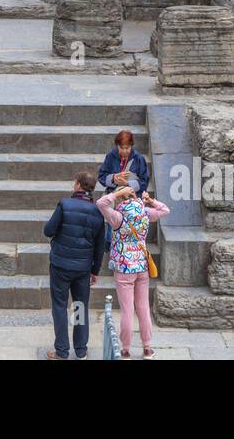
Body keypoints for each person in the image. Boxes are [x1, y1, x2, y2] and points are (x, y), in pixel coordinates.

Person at [97, 186, 170, 359]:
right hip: (142, 266)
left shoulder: (117, 217)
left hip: (124, 269)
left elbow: (101, 203)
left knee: (127, 309)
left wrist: (115, 194)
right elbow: (165, 210)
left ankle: (126, 349)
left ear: (121, 198)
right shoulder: (144, 212)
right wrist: (152, 201)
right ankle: (147, 347)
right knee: (143, 307)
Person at [43, 170, 106, 360]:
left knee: (60, 306)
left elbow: (48, 230)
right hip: (83, 268)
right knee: (80, 306)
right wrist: (94, 271)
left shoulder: (64, 204)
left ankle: (61, 351)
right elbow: (100, 245)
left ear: (78, 184)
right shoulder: (97, 212)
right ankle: (80, 350)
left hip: (60, 265)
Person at [97, 130, 150, 198]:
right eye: (121, 148)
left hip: (132, 199)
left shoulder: (139, 159)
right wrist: (113, 178)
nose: (124, 151)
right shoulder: (111, 156)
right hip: (114, 197)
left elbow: (144, 182)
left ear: (131, 145)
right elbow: (101, 176)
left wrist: (127, 183)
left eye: (127, 148)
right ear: (117, 146)